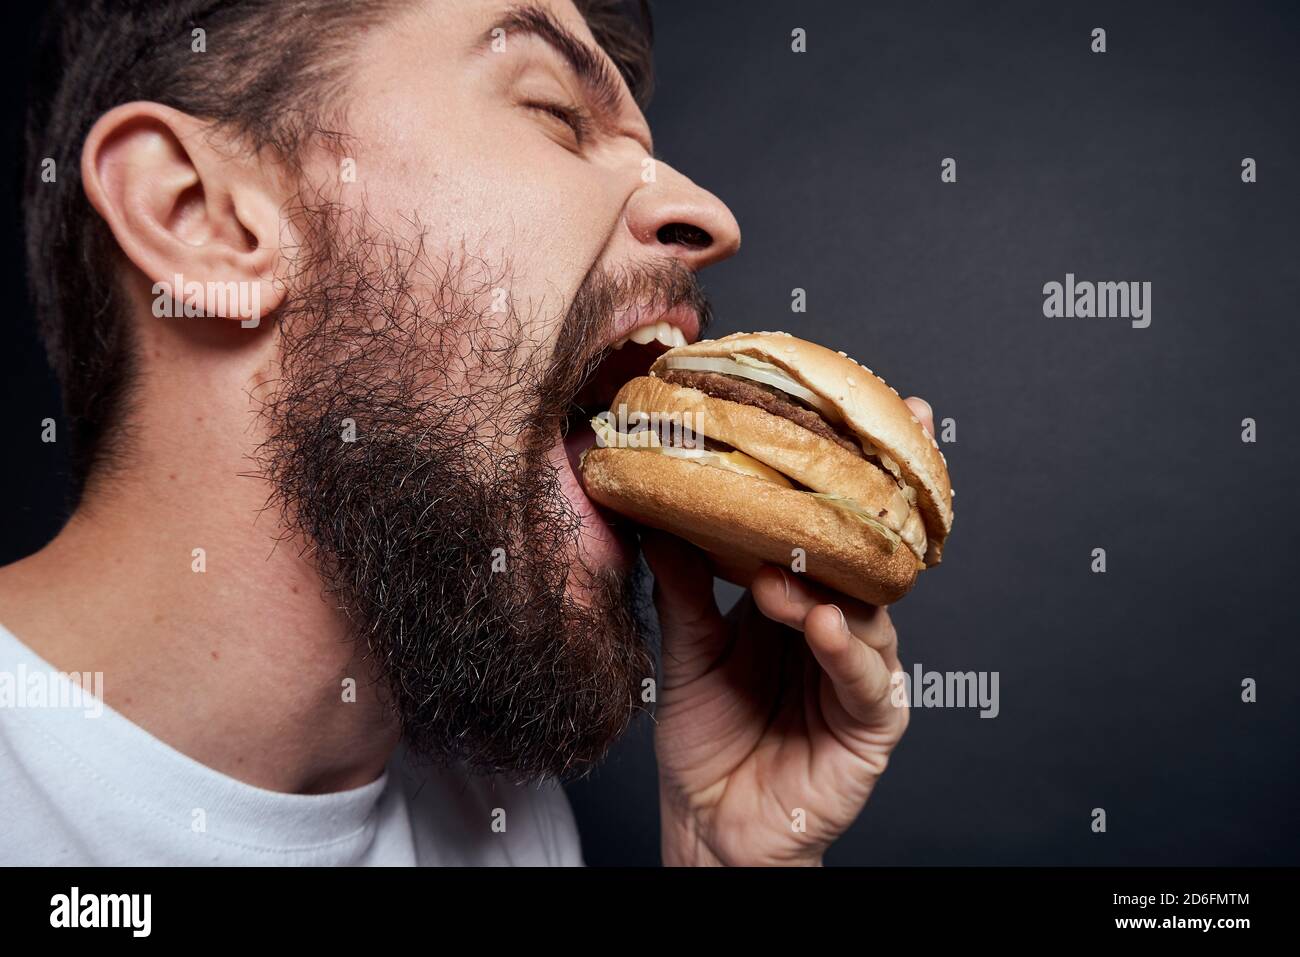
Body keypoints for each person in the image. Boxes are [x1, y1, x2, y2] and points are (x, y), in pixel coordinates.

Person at [0, 0, 932, 866]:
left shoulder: (499, 816)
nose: (710, 216)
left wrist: (721, 855)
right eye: (557, 115)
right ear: (198, 219)